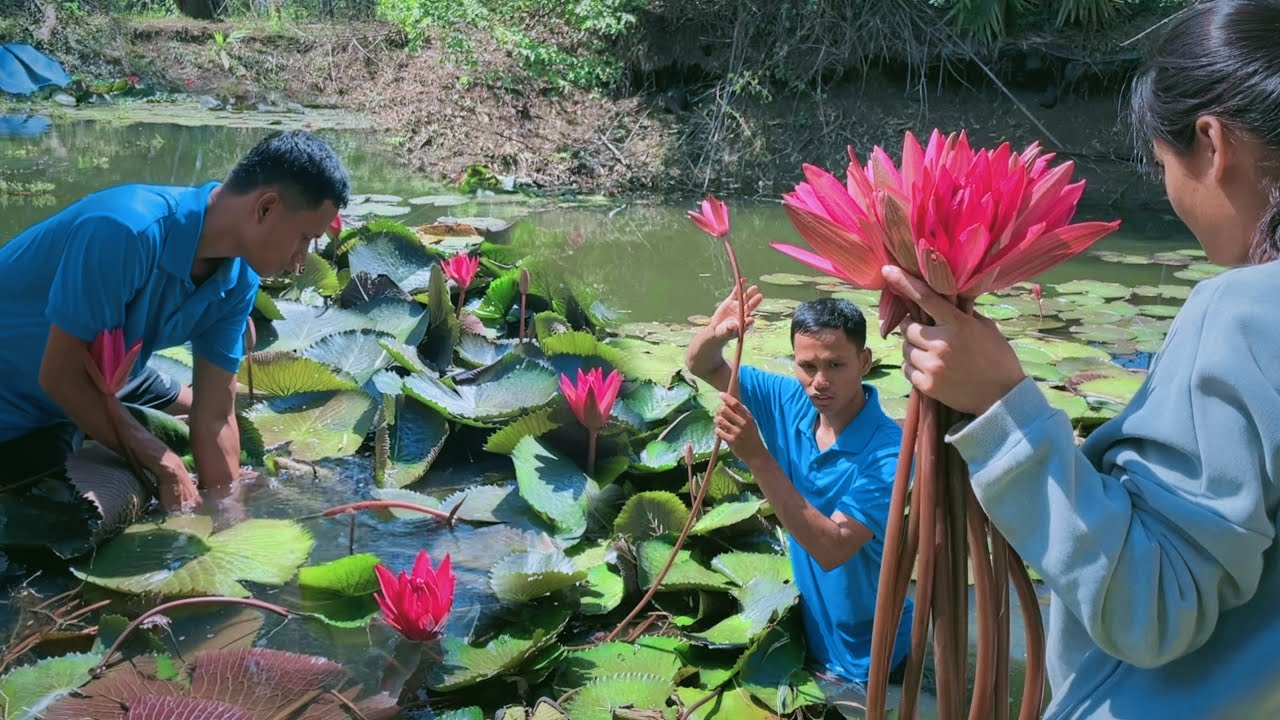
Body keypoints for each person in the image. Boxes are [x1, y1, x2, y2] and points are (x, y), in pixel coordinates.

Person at [879, 1, 1280, 717]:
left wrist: (1002, 403)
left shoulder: (1245, 313)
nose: (1168, 187)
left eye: (1163, 163)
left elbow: (1154, 606)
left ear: (1213, 144)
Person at [0, 129, 349, 512]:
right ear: (265, 207)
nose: (302, 261)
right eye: (303, 238)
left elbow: (215, 415)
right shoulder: (127, 231)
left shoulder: (239, 280)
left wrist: (226, 515)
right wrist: (163, 462)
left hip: (99, 377)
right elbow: (60, 376)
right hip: (24, 398)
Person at [687, 288, 914, 686]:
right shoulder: (790, 400)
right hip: (811, 642)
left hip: (875, 660)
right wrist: (717, 333)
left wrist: (757, 456)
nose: (819, 382)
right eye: (807, 366)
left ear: (864, 361)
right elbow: (702, 365)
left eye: (835, 365)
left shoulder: (888, 453)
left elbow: (832, 548)